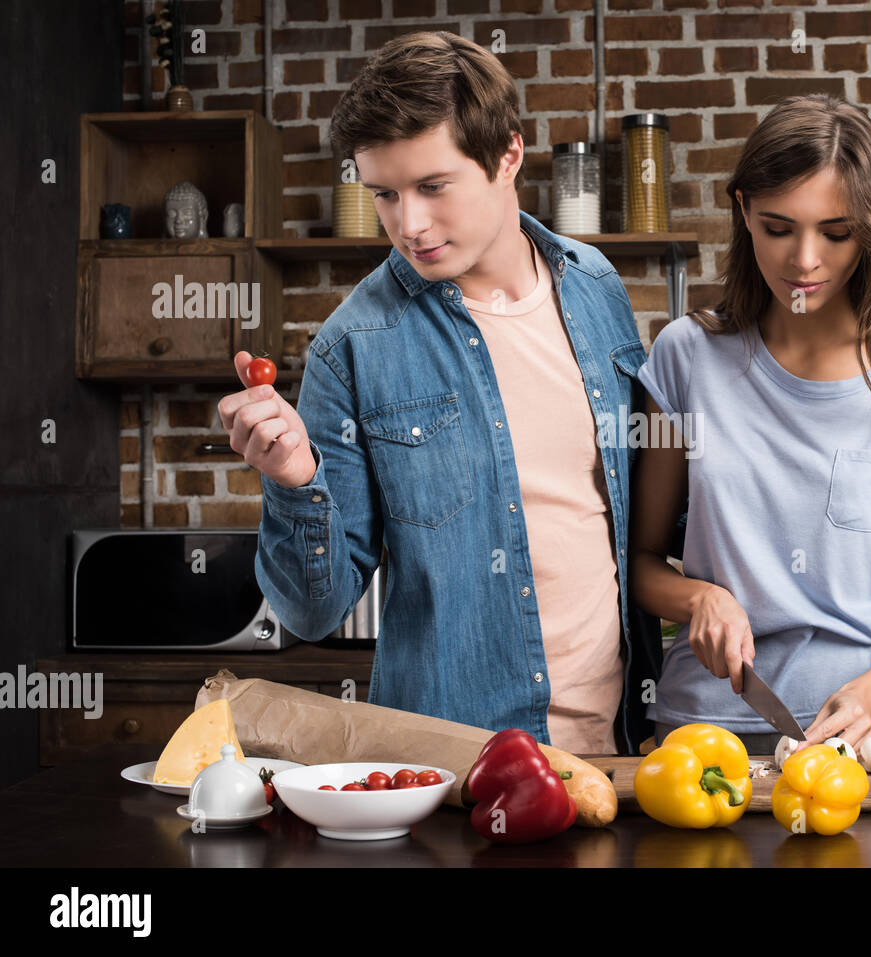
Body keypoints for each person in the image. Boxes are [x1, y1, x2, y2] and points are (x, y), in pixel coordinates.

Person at [217, 31, 661, 755]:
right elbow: (311, 611)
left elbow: (636, 515)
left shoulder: (595, 284)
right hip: (456, 764)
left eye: (432, 187)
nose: (408, 226)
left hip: (622, 751)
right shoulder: (353, 345)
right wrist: (295, 480)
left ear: (507, 155)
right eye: (384, 194)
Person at [631, 94, 871, 756]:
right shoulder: (685, 355)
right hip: (705, 730)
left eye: (836, 232)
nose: (805, 259)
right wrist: (698, 600)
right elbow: (640, 563)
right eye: (779, 228)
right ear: (743, 209)